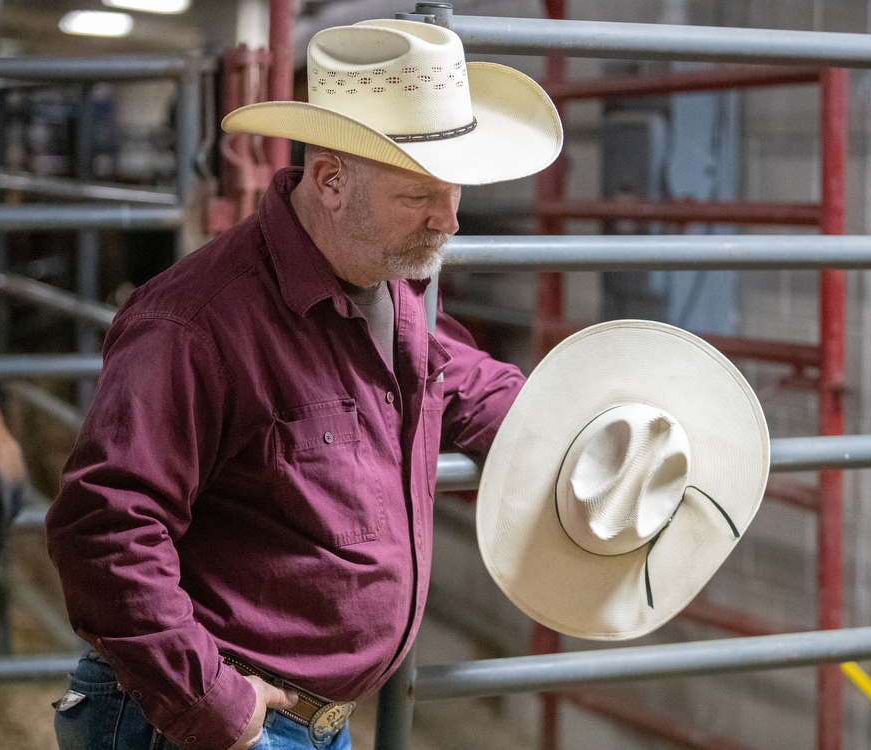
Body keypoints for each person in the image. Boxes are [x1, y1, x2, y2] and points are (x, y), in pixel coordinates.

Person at [45, 18, 562, 750]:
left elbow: (449, 377)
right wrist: (214, 705)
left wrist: (563, 431)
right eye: (419, 194)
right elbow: (103, 526)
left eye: (453, 192)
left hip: (309, 724)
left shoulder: (386, 282)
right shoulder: (195, 323)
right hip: (207, 720)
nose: (447, 220)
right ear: (329, 181)